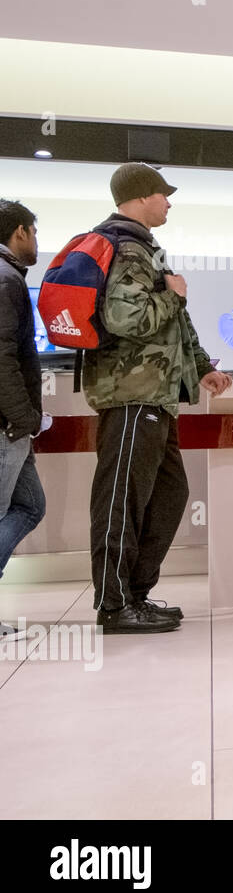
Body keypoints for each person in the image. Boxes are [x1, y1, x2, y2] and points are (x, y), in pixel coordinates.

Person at [84, 164, 233, 632]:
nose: (168, 201)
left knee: (169, 494)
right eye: (162, 194)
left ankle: (136, 594)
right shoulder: (127, 248)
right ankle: (114, 605)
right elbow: (128, 319)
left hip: (156, 396)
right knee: (121, 500)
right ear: (139, 196)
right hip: (130, 394)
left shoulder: (146, 248)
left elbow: (171, 324)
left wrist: (203, 366)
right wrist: (176, 295)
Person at [0, 200, 46, 642]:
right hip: (7, 424)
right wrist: (23, 418)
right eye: (34, 232)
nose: (36, 242)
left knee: (32, 506)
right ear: (19, 232)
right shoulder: (7, 280)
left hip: (14, 424)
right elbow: (3, 360)